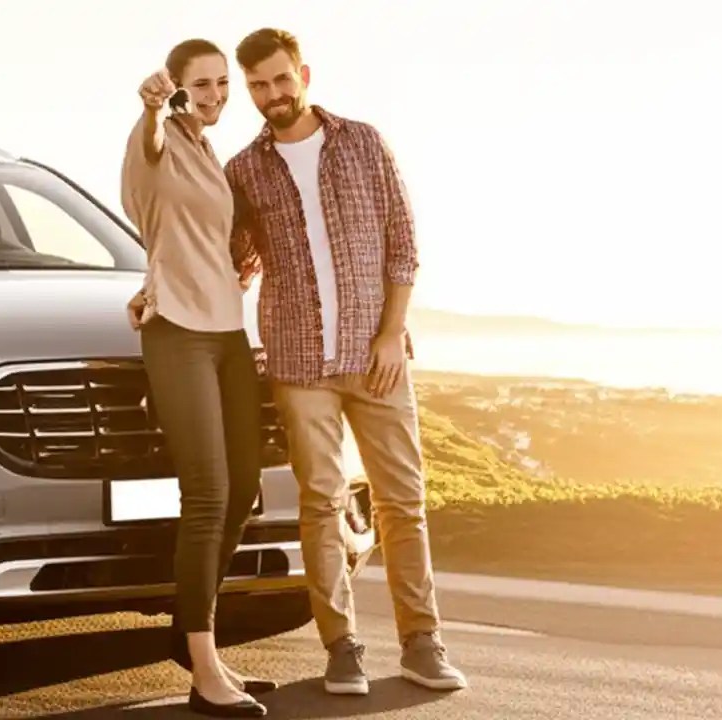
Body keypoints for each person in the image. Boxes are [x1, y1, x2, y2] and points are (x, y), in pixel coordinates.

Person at [222, 28, 469, 696]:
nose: (272, 94)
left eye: (280, 79)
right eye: (257, 86)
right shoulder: (243, 170)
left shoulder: (363, 143)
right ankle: (342, 648)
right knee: (321, 502)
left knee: (402, 500)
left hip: (375, 355)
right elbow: (235, 260)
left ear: (303, 74)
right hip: (298, 362)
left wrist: (392, 333)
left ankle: (422, 642)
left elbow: (403, 245)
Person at [120, 38, 271, 718]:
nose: (215, 96)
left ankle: (190, 635)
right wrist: (152, 106)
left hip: (229, 333)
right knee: (207, 495)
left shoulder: (211, 154)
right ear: (177, 87)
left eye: (222, 84)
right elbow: (149, 149)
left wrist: (244, 255)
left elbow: (199, 237)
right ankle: (205, 668)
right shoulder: (156, 140)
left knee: (242, 489)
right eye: (201, 84)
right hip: (178, 332)